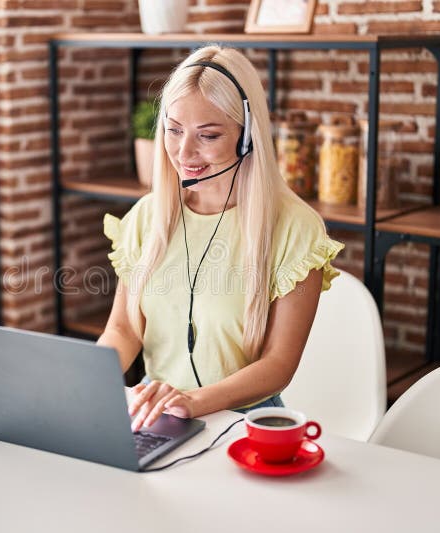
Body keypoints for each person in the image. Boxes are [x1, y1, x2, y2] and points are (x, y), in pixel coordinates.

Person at [97, 45, 344, 432]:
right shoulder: (147, 217)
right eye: (174, 130)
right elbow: (124, 329)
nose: (184, 152)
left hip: (244, 422)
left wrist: (191, 402)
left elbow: (279, 364)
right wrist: (89, 385)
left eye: (208, 135)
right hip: (155, 414)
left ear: (247, 136)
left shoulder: (294, 227)